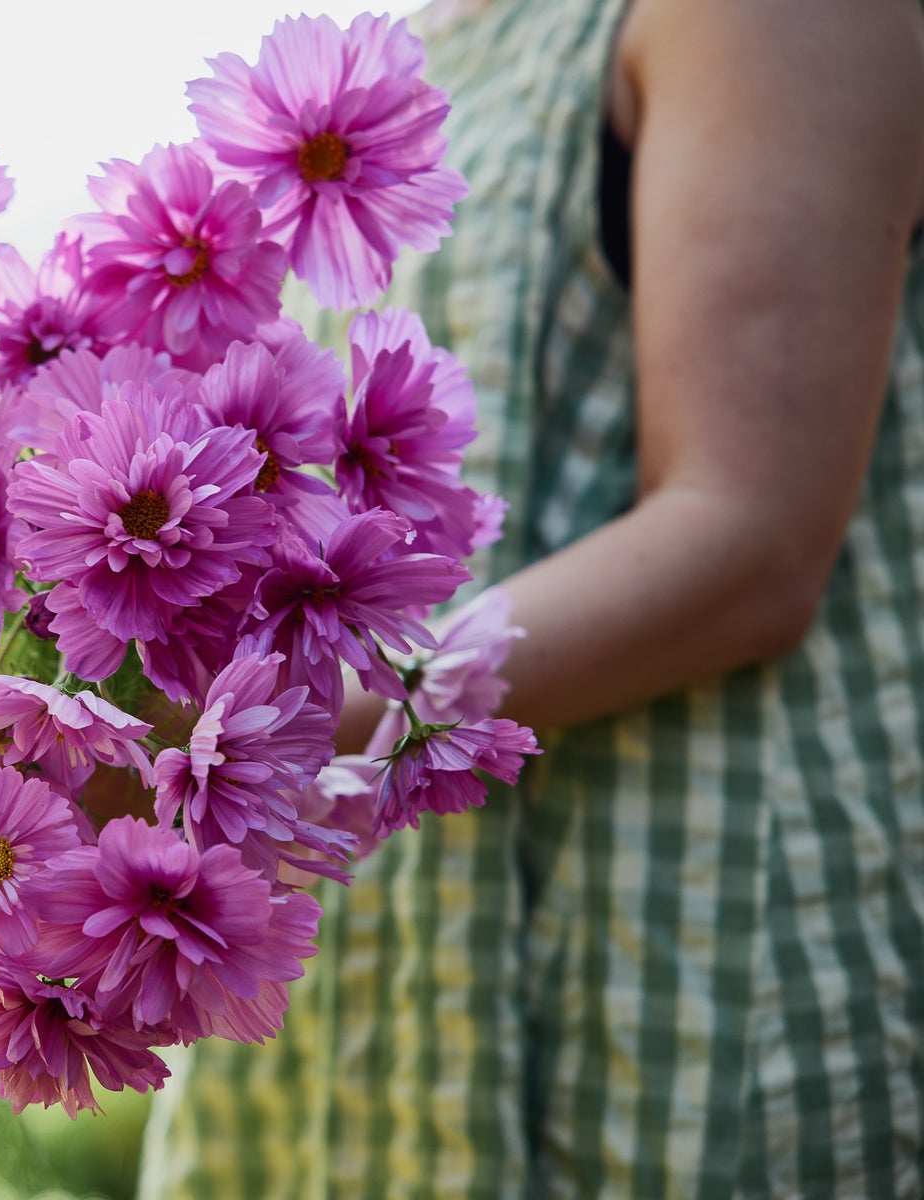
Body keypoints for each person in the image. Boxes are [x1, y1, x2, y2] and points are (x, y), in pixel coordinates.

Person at [140, 0, 924, 1195]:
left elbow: (747, 544)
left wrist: (244, 739)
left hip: (670, 935)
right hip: (375, 991)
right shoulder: (422, 38)